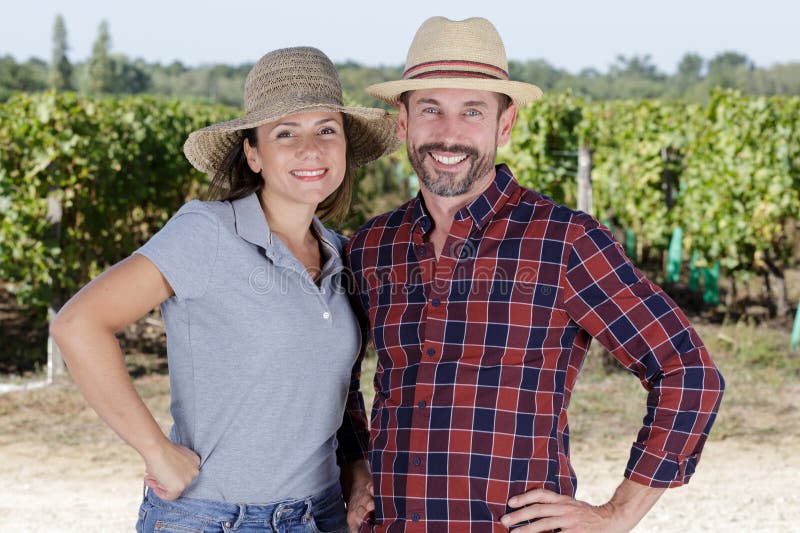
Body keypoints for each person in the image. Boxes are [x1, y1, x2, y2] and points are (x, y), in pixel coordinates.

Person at [343, 17, 725, 532]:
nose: (449, 133)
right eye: (430, 109)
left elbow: (687, 372)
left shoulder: (564, 241)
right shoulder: (372, 247)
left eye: (472, 111)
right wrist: (357, 464)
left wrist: (617, 514)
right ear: (403, 121)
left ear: (505, 124)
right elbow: (334, 376)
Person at [50, 46, 396, 533]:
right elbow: (77, 324)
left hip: (321, 516)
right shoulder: (207, 232)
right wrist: (156, 450)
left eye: (326, 130)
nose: (310, 149)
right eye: (284, 133)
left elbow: (329, 394)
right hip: (214, 519)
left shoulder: (342, 255)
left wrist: (356, 466)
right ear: (252, 153)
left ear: (344, 148)